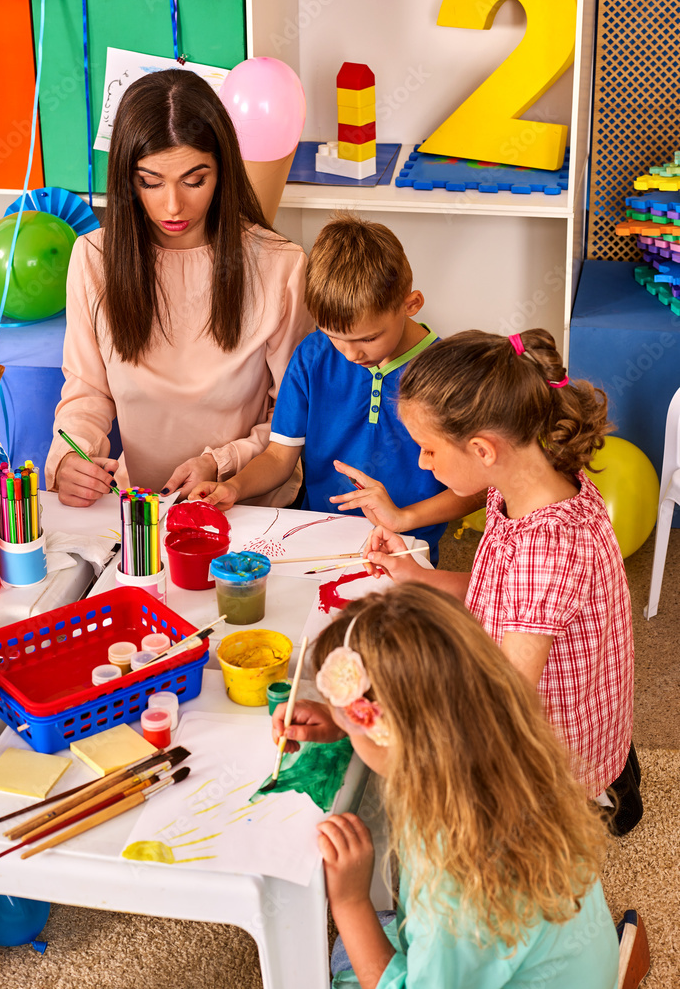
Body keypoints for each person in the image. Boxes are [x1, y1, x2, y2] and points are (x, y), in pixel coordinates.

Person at [356, 328, 641, 834]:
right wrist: (416, 576)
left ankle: (599, 810)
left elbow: (504, 701)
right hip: (575, 709)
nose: (423, 462)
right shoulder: (528, 483)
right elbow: (498, 592)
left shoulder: (547, 547)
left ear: (483, 449)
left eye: (428, 450)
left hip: (553, 752)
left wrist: (408, 710)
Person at [274, 583, 623, 989]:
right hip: (569, 970)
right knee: (379, 936)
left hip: (471, 942)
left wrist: (350, 903)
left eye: (352, 723)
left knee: (341, 960)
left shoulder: (454, 876)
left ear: (386, 731)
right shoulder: (514, 754)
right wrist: (343, 723)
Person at [44, 69, 312, 507]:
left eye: (194, 180)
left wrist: (221, 462)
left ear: (223, 171)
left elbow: (291, 418)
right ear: (125, 178)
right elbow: (86, 392)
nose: (172, 206)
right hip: (142, 505)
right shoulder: (93, 258)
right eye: (149, 182)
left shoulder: (280, 265)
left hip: (246, 503)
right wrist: (70, 459)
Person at [189, 214, 483, 564]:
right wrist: (233, 487)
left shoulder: (451, 372)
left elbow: (481, 490)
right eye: (335, 336)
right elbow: (279, 457)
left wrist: (404, 519)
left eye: (369, 338)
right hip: (316, 541)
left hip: (407, 547)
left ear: (411, 304)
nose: (351, 353)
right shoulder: (313, 356)